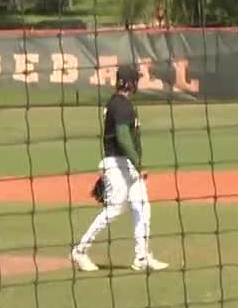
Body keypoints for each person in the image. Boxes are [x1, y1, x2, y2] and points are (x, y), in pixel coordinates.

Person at [71, 64, 169, 272]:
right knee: (115, 208)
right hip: (119, 164)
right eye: (136, 80)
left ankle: (142, 257)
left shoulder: (116, 104)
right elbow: (124, 138)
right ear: (130, 83)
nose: (138, 83)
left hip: (122, 164)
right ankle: (80, 251)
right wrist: (137, 163)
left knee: (142, 206)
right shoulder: (122, 106)